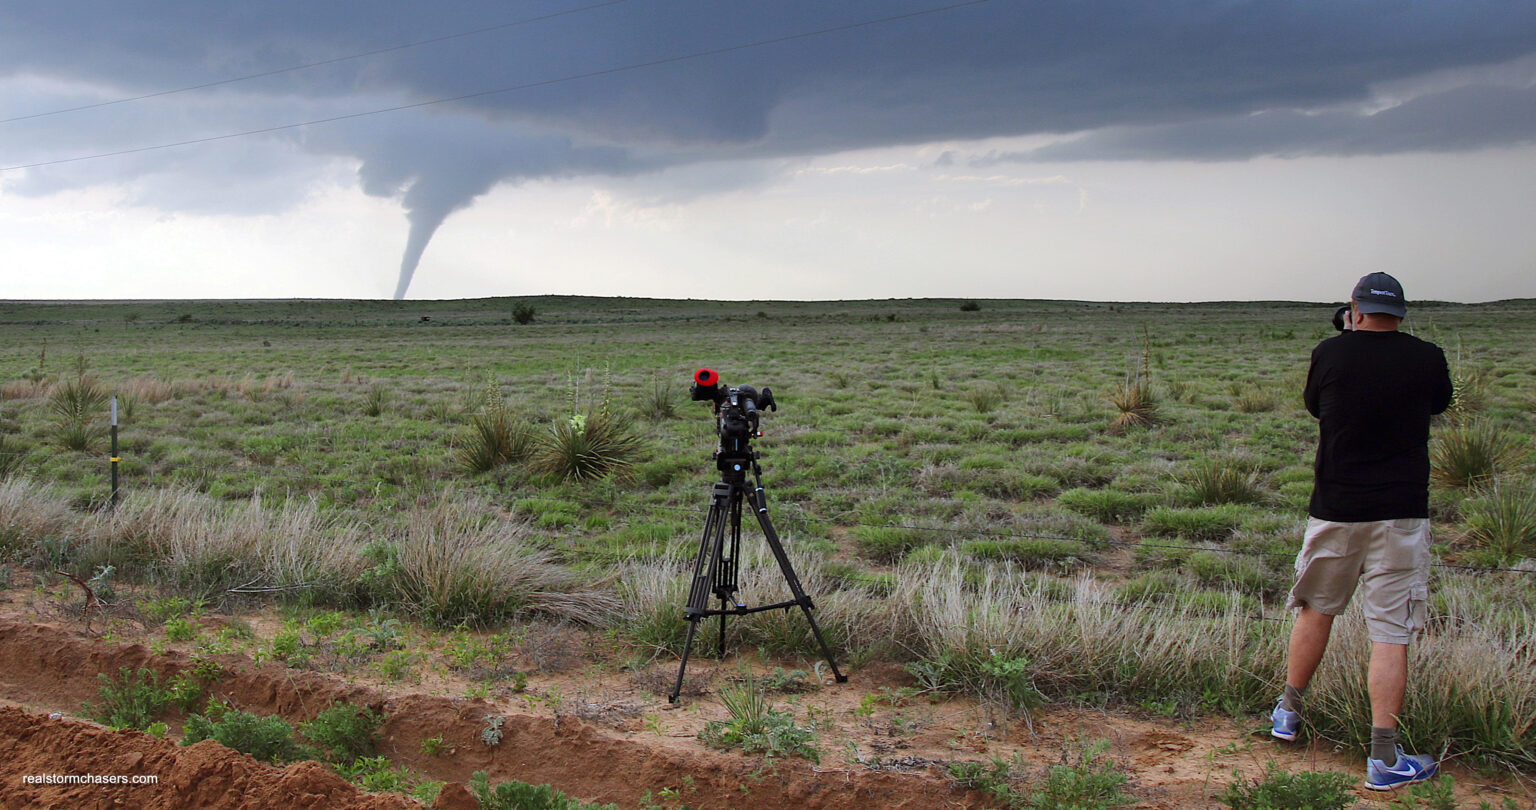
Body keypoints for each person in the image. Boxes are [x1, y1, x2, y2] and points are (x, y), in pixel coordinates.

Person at [1271, 272, 1453, 791]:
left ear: (1355, 307)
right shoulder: (1427, 356)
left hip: (1336, 504)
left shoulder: (1330, 352)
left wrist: (1346, 336)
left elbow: (1315, 407)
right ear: (1402, 312)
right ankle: (1383, 757)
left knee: (1317, 608)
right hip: (1400, 510)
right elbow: (1440, 403)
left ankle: (1288, 712)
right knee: (1391, 631)